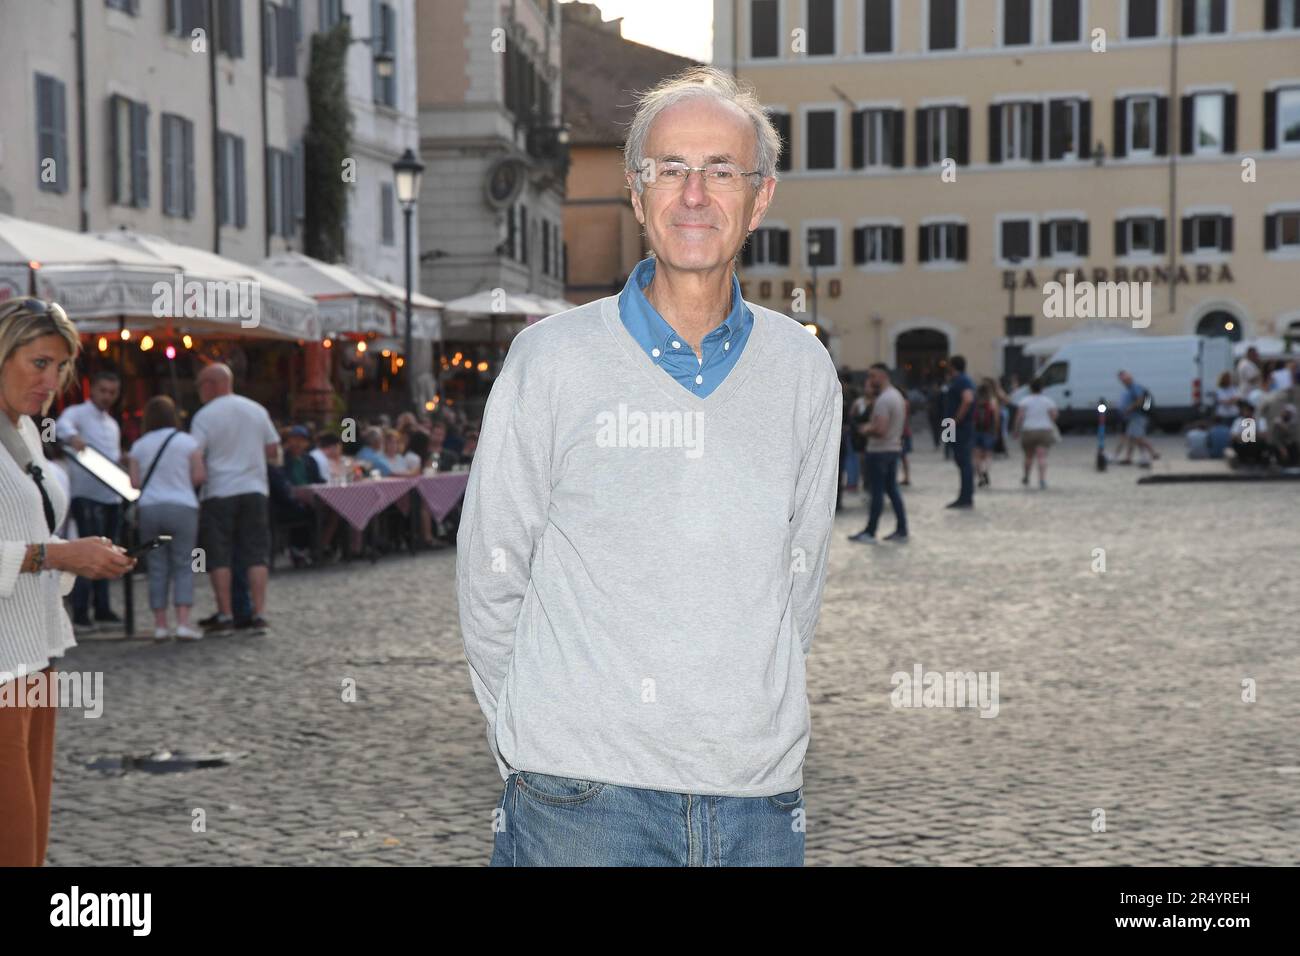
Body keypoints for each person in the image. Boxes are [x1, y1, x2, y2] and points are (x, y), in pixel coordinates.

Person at [459, 66, 839, 867]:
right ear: (637, 194)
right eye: (670, 169)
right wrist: (536, 747)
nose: (693, 194)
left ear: (759, 197)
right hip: (578, 804)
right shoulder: (549, 361)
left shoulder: (803, 372)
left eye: (720, 171)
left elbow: (796, 581)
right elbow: (492, 575)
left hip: (757, 805)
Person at [0, 298, 135, 866]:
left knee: (29, 837)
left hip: (37, 654)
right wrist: (58, 556)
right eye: (38, 363)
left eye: (60, 367)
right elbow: (42, 548)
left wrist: (84, 558)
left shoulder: (25, 431)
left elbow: (34, 529)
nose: (51, 381)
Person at [191, 363, 279, 636]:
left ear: (210, 385)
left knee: (219, 556)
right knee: (255, 554)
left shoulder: (204, 416)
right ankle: (259, 614)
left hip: (219, 491)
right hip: (254, 489)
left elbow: (195, 454)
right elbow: (273, 449)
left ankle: (226, 614)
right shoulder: (256, 409)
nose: (199, 392)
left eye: (200, 386)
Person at [126, 396, 205, 641]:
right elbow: (200, 475)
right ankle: (183, 622)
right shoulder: (188, 442)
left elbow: (135, 482)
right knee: (185, 563)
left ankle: (160, 625)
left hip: (151, 508)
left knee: (157, 566)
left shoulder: (139, 445)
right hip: (183, 507)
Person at [55, 369, 124, 633]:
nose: (107, 397)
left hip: (111, 495)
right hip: (86, 494)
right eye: (103, 391)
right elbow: (62, 427)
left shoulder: (112, 423)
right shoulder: (77, 413)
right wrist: (73, 438)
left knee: (109, 552)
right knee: (86, 550)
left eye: (112, 393)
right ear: (92, 389)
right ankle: (82, 611)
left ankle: (103, 607)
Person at [848, 363, 908, 543]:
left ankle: (870, 531)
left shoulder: (884, 400)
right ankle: (901, 528)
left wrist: (864, 429)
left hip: (880, 450)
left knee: (877, 493)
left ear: (883, 376)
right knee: (892, 490)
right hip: (893, 448)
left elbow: (880, 429)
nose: (869, 380)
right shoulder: (896, 396)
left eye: (872, 376)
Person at [1012, 379, 1059, 489]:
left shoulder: (1025, 401)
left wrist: (1016, 430)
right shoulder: (1048, 401)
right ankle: (1042, 479)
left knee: (1028, 456)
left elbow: (1019, 417)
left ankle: (1026, 476)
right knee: (1042, 456)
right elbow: (1054, 415)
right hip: (1044, 430)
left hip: (1028, 430)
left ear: (1030, 388)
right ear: (1042, 388)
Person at [943, 355, 976, 507]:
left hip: (959, 426)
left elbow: (967, 399)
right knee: (959, 458)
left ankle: (966, 497)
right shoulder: (959, 380)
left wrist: (956, 420)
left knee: (964, 461)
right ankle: (965, 495)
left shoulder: (962, 380)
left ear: (952, 366)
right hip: (952, 424)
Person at [1115, 370, 1160, 468]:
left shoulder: (1135, 387)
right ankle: (1128, 458)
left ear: (1129, 379)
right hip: (1134, 417)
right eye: (1122, 380)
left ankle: (1153, 453)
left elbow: (1140, 400)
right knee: (1132, 437)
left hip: (1138, 417)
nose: (1123, 381)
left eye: (1125, 379)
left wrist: (1129, 409)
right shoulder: (1131, 388)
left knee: (1138, 437)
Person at [971, 381, 999, 488]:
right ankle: (984, 470)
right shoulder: (992, 401)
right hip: (988, 431)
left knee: (976, 456)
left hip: (976, 431)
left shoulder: (975, 401)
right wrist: (996, 431)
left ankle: (980, 477)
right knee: (987, 455)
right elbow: (996, 419)